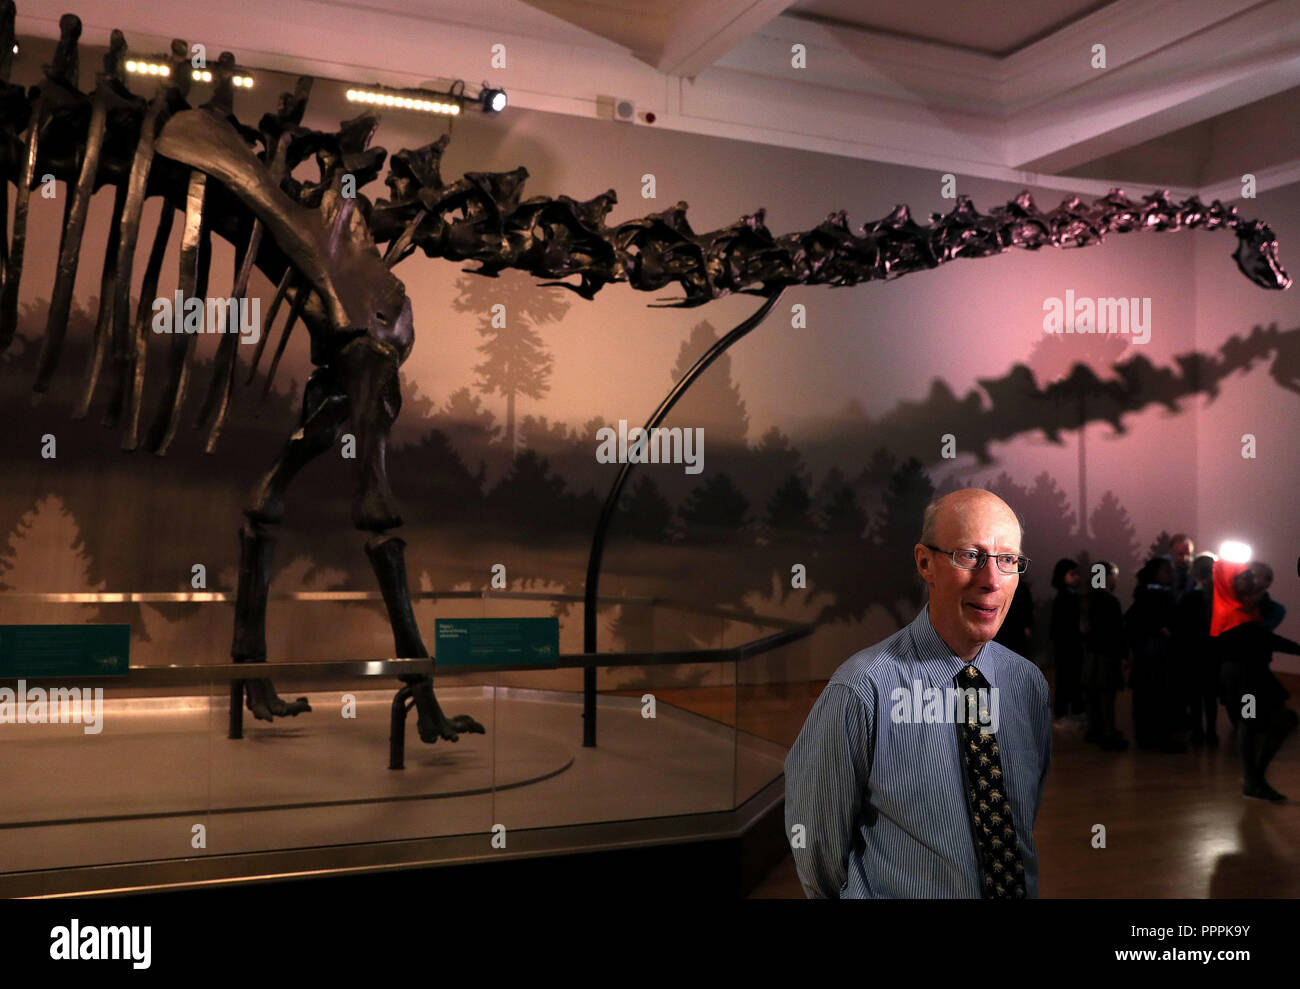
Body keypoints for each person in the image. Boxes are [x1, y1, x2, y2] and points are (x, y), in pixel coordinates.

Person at [784, 489, 1050, 898]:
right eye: (970, 556)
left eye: (1007, 560)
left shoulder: (1027, 684)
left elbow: (1020, 822)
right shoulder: (860, 690)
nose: (991, 580)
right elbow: (818, 853)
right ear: (925, 562)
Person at [1214, 560, 1300, 801]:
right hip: (1243, 675)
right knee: (1250, 723)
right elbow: (1262, 639)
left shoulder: (1247, 607)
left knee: (1275, 720)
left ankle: (1255, 779)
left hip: (1253, 673)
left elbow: (1262, 637)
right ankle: (1253, 781)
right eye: (1246, 577)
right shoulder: (1234, 608)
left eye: (1253, 577)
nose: (1251, 580)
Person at [1126, 556, 1184, 752]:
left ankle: (1151, 737)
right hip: (1155, 659)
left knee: (1153, 698)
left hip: (1152, 658)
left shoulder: (1148, 595)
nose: (1171, 574)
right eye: (1166, 571)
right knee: (1156, 697)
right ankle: (1157, 738)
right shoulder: (1154, 597)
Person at [1080, 560, 1128, 750]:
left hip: (1091, 654)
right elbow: (1117, 631)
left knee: (1093, 694)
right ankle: (1107, 732)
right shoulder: (1109, 601)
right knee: (1107, 695)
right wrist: (1123, 654)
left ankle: (1093, 729)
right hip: (1107, 655)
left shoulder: (1087, 600)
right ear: (1107, 577)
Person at [1174, 554, 1218, 745]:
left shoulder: (1189, 598)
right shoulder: (1221, 598)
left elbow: (1181, 627)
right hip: (1212, 650)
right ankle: (1211, 731)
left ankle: (1198, 730)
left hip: (1193, 651)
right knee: (1210, 695)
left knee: (1195, 694)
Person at [1049, 558, 1085, 723]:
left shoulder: (1070, 597)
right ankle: (1064, 712)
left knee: (1072, 678)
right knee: (1067, 678)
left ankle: (1070, 711)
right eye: (1072, 574)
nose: (1076, 577)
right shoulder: (1065, 599)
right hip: (1068, 645)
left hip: (1070, 645)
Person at [1170, 533, 1196, 598]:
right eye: (1180, 554)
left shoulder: (1198, 571)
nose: (1184, 558)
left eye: (1188, 554)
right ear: (1172, 553)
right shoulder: (1163, 571)